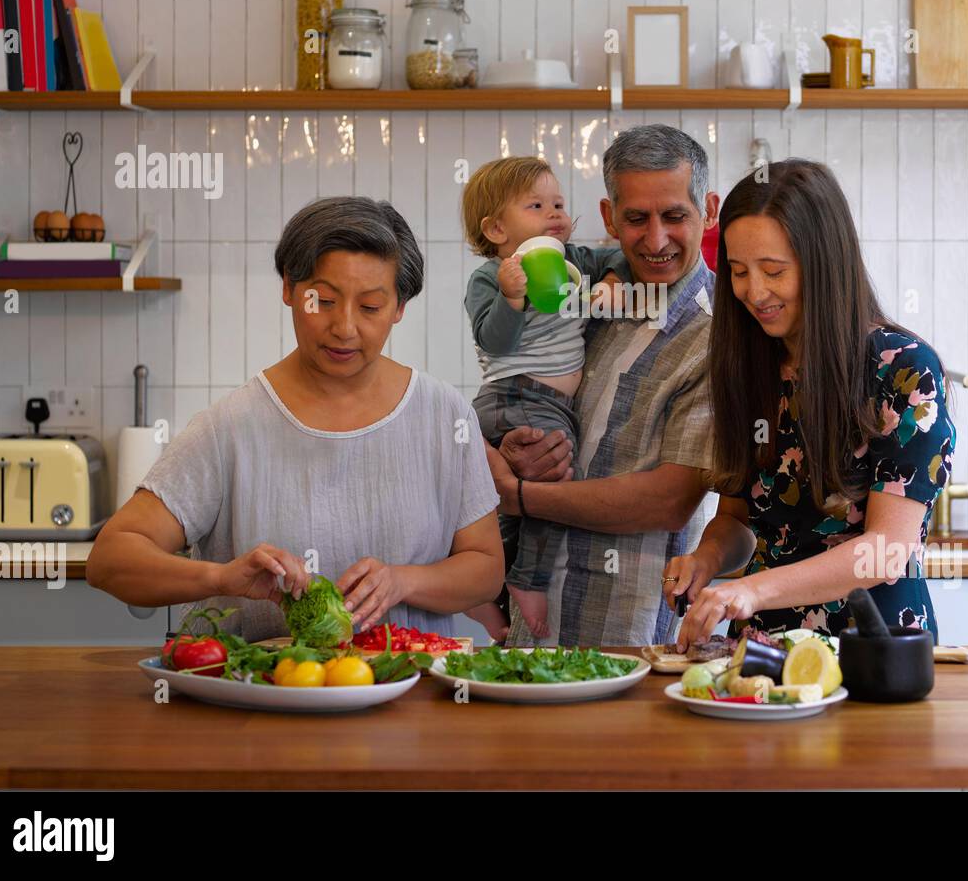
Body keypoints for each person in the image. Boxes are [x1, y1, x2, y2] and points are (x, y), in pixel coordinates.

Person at [86, 197, 503, 642]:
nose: (344, 327)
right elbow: (111, 559)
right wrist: (220, 579)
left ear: (399, 307)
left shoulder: (443, 415)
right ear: (288, 288)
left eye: (370, 307)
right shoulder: (230, 427)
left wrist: (405, 581)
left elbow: (485, 568)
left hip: (411, 699)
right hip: (259, 699)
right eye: (321, 300)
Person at [663, 160, 956, 645]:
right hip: (759, 651)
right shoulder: (746, 365)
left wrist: (752, 591)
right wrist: (706, 560)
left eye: (774, 271)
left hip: (873, 650)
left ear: (824, 262)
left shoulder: (902, 369)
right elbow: (738, 520)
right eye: (738, 272)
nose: (754, 293)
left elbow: (886, 549)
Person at [485, 124, 720, 647]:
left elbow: (669, 500)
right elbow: (523, 382)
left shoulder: (719, 335)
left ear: (709, 208)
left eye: (675, 216)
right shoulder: (585, 296)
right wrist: (513, 446)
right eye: (636, 218)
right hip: (536, 624)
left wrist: (521, 496)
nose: (656, 240)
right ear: (610, 218)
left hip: (634, 634)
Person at [460, 156, 628, 642]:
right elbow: (493, 342)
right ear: (495, 229)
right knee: (554, 487)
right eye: (536, 205)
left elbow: (617, 257)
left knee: (513, 501)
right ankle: (527, 582)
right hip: (513, 395)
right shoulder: (492, 276)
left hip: (544, 404)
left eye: (557, 202)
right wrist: (512, 299)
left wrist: (614, 281)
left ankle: (486, 594)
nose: (555, 213)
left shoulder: (574, 259)